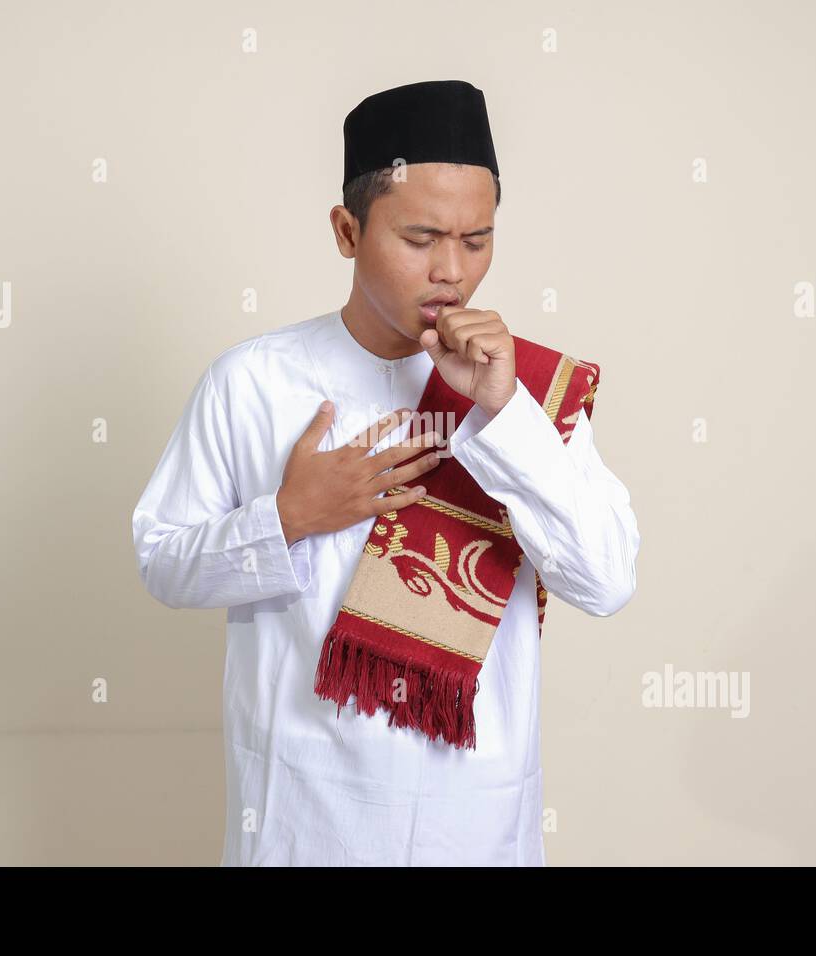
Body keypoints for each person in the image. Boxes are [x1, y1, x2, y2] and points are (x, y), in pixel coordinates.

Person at [131, 79, 641, 866]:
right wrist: (287, 516)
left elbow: (607, 581)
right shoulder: (254, 381)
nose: (452, 271)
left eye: (477, 240)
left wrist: (503, 417)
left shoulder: (525, 391)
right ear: (347, 230)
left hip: (478, 822)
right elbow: (164, 563)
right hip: (304, 819)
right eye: (421, 237)